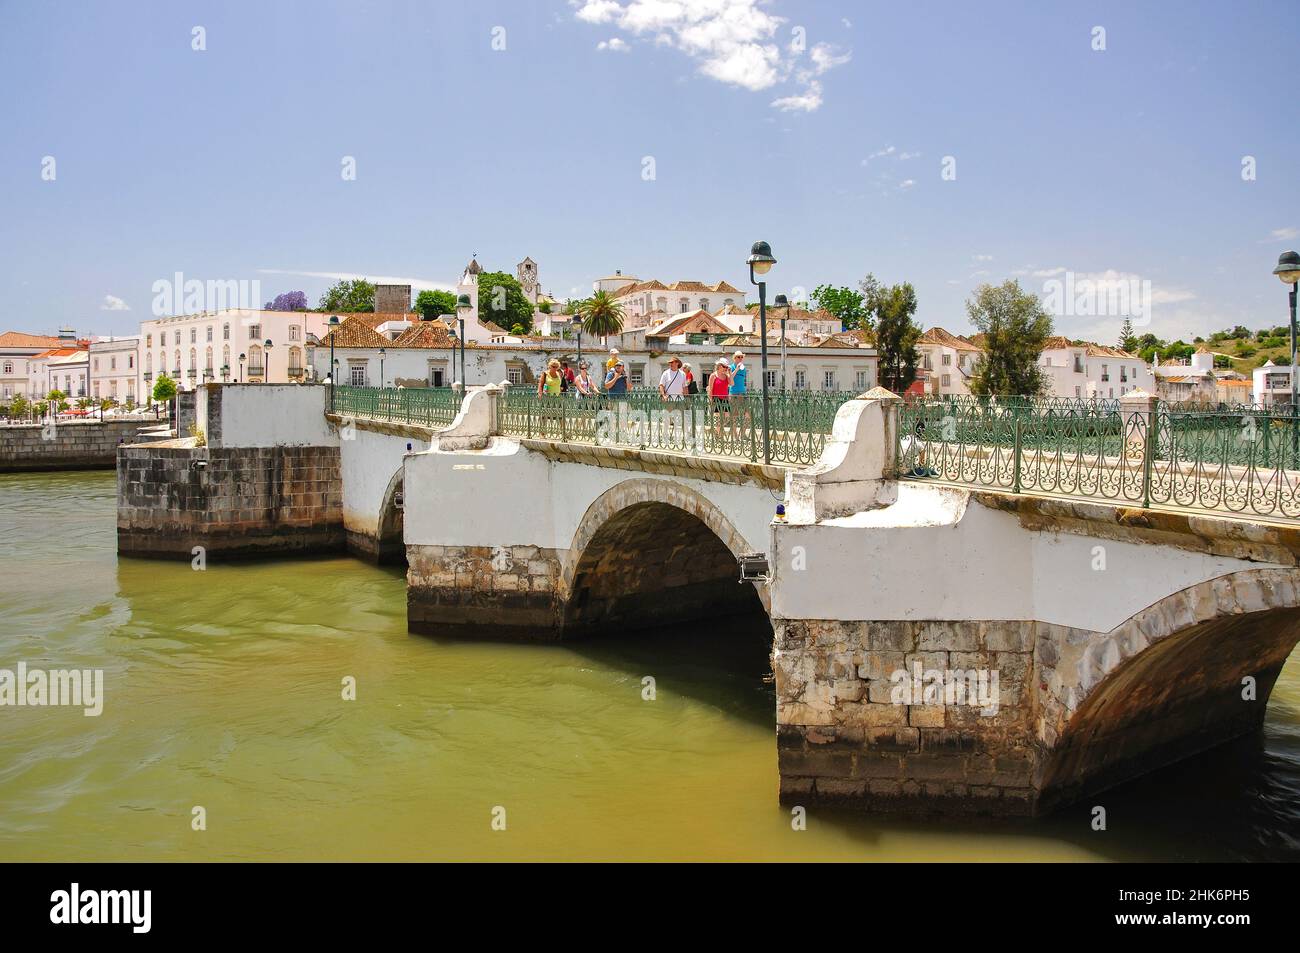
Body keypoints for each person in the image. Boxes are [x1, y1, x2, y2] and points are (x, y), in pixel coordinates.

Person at [708, 356, 731, 440]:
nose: (726, 368)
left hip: (725, 399)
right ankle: (718, 435)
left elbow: (731, 383)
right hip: (716, 399)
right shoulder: (713, 375)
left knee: (727, 417)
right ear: (720, 366)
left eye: (726, 367)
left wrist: (729, 374)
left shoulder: (726, 376)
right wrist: (710, 400)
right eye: (725, 367)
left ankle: (717, 432)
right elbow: (710, 389)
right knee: (717, 418)